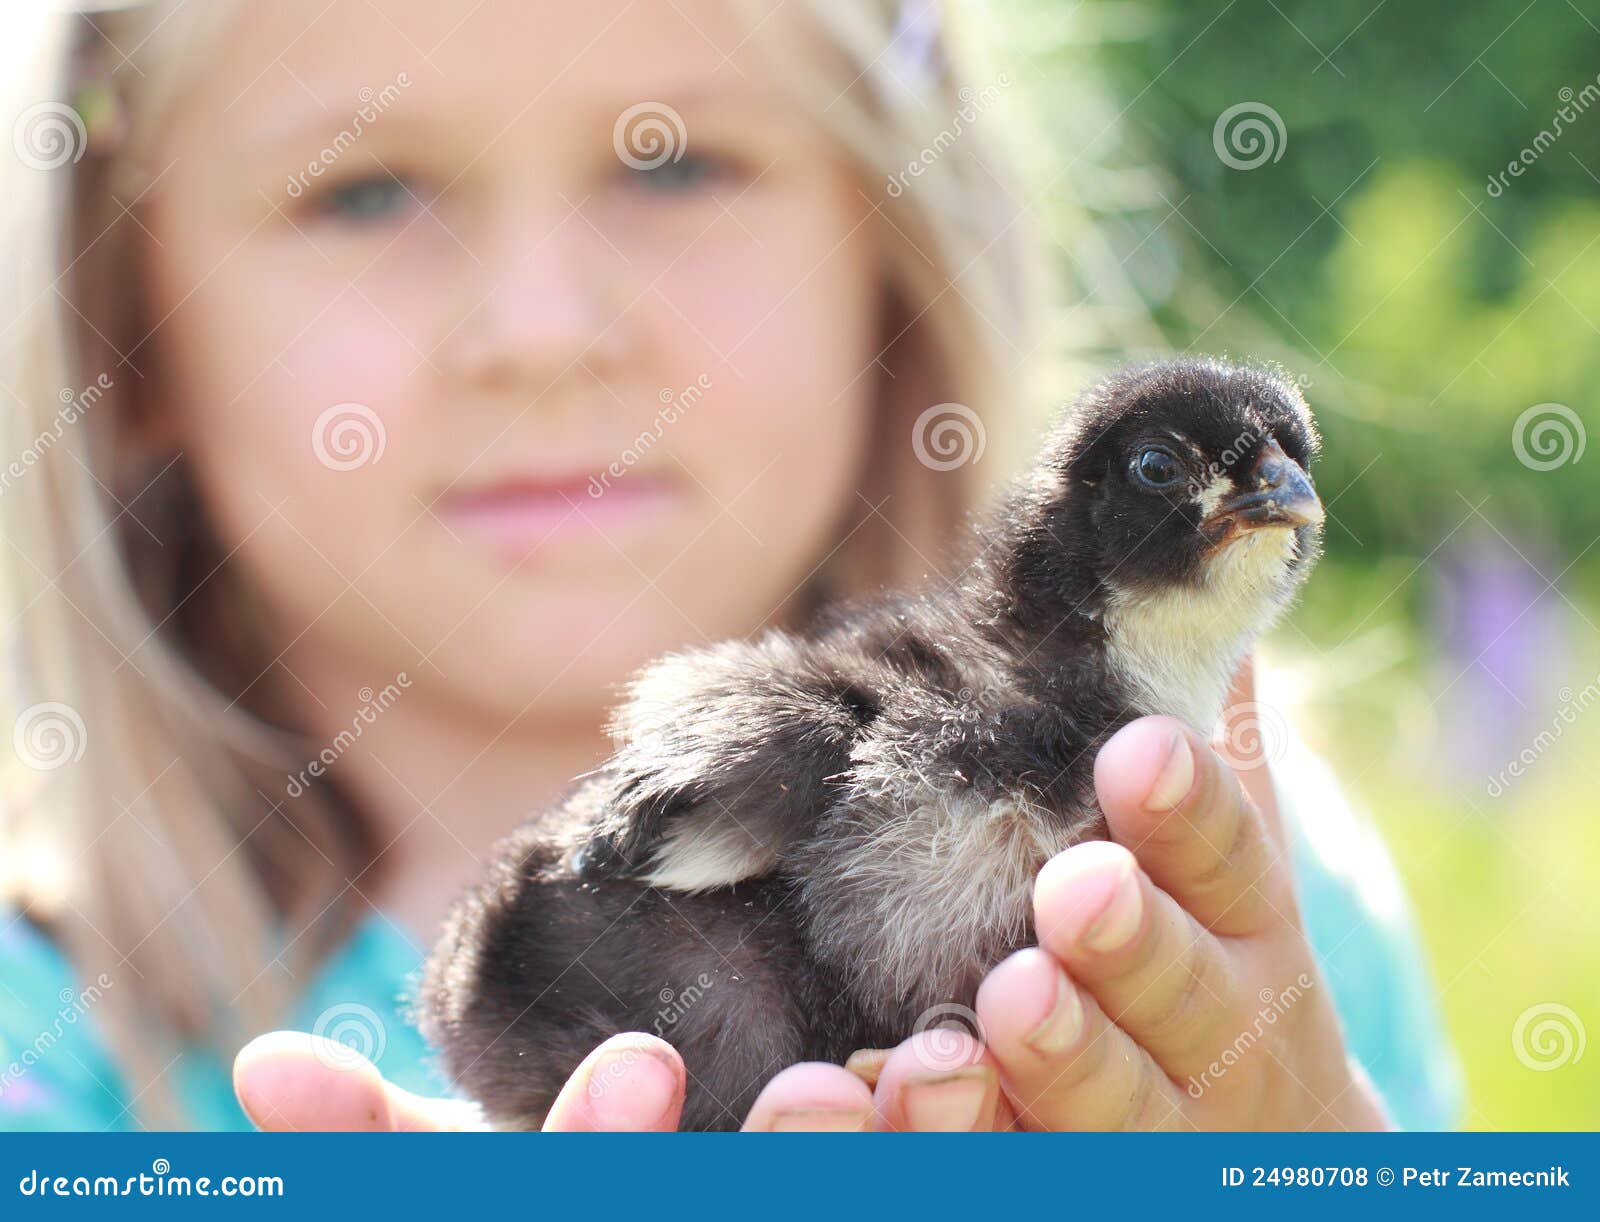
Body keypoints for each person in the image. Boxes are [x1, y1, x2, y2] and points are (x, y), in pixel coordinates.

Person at [0, 0, 1461, 1132]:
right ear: (123, 316)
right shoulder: (37, 1041)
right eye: (364, 190)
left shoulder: (1246, 912)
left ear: (890, 252)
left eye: (676, 161)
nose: (544, 329)